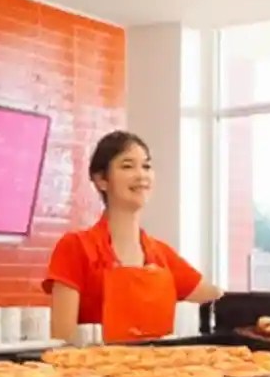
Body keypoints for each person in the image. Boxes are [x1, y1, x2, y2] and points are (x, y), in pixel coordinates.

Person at [43, 131, 224, 344]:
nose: (141, 175)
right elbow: (62, 341)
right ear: (101, 180)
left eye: (146, 166)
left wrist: (262, 313)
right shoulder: (76, 247)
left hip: (160, 373)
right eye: (128, 166)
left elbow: (214, 296)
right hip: (97, 374)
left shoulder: (162, 255)